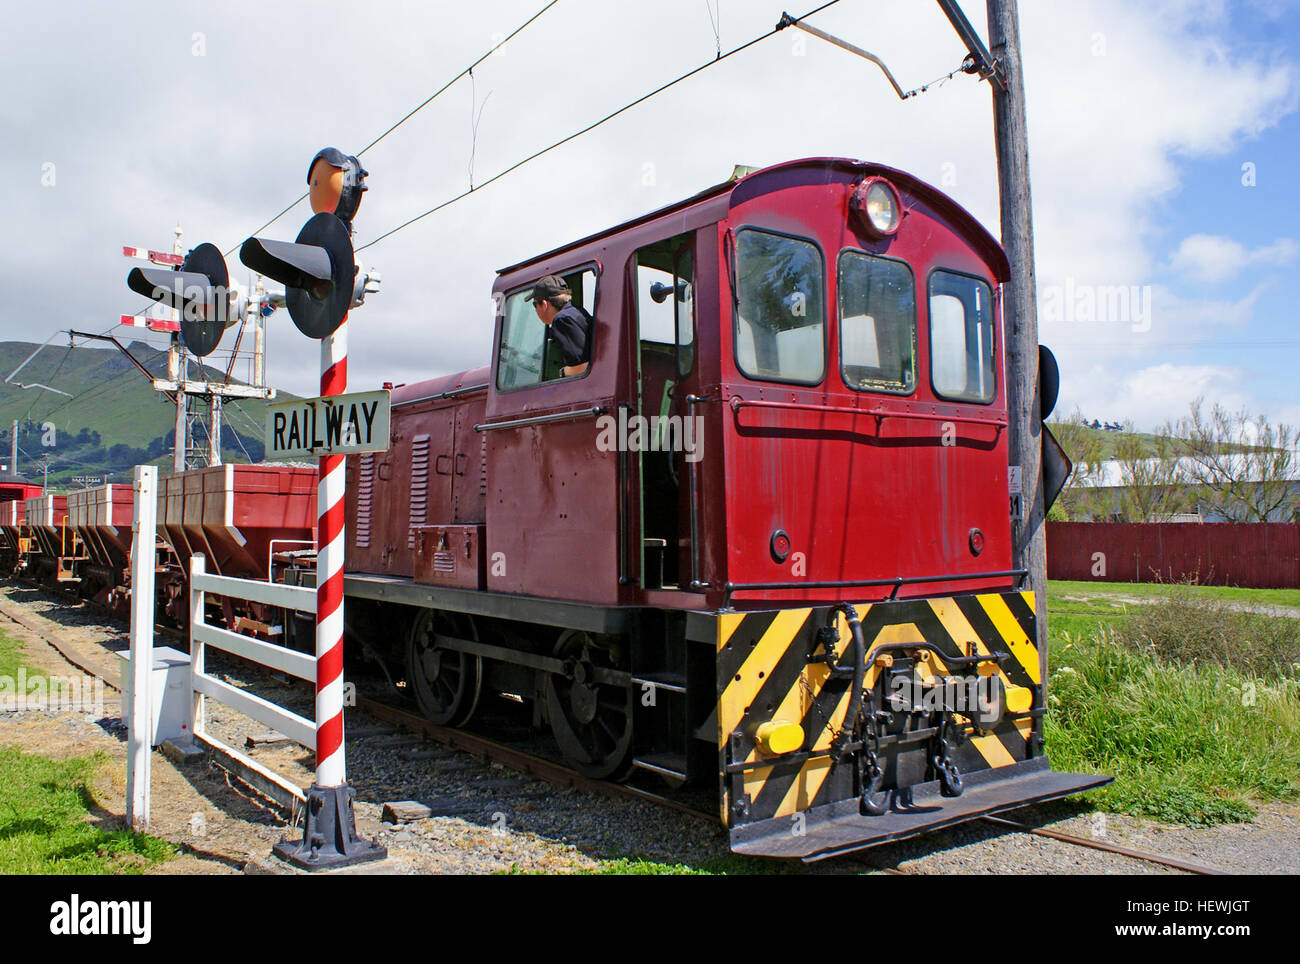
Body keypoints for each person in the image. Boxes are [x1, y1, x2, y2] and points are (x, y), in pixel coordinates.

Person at [526, 275, 593, 378]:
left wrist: (562, 373)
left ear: (544, 304)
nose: (535, 309)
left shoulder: (561, 320)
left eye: (534, 304)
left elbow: (582, 367)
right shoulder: (576, 312)